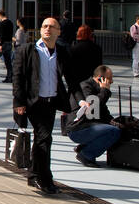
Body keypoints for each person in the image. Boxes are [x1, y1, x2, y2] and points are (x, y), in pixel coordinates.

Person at [13, 16, 71, 194]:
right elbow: (18, 77)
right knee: (44, 139)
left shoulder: (61, 51)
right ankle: (45, 180)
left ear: (58, 32)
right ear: (40, 30)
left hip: (50, 102)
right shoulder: (28, 50)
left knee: (42, 139)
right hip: (32, 102)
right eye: (45, 26)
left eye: (52, 27)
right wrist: (19, 102)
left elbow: (68, 77)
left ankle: (34, 175)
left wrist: (72, 103)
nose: (48, 29)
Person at [67, 65, 121, 167]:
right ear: (101, 79)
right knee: (113, 131)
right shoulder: (86, 87)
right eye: (110, 79)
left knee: (115, 128)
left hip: (88, 126)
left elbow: (103, 112)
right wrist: (105, 91)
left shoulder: (96, 89)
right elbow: (93, 109)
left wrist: (114, 122)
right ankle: (86, 154)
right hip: (78, 128)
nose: (112, 82)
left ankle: (84, 148)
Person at [64, 24, 103, 90]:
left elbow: (68, 69)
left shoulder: (72, 49)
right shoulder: (97, 48)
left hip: (76, 84)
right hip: (92, 83)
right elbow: (99, 67)